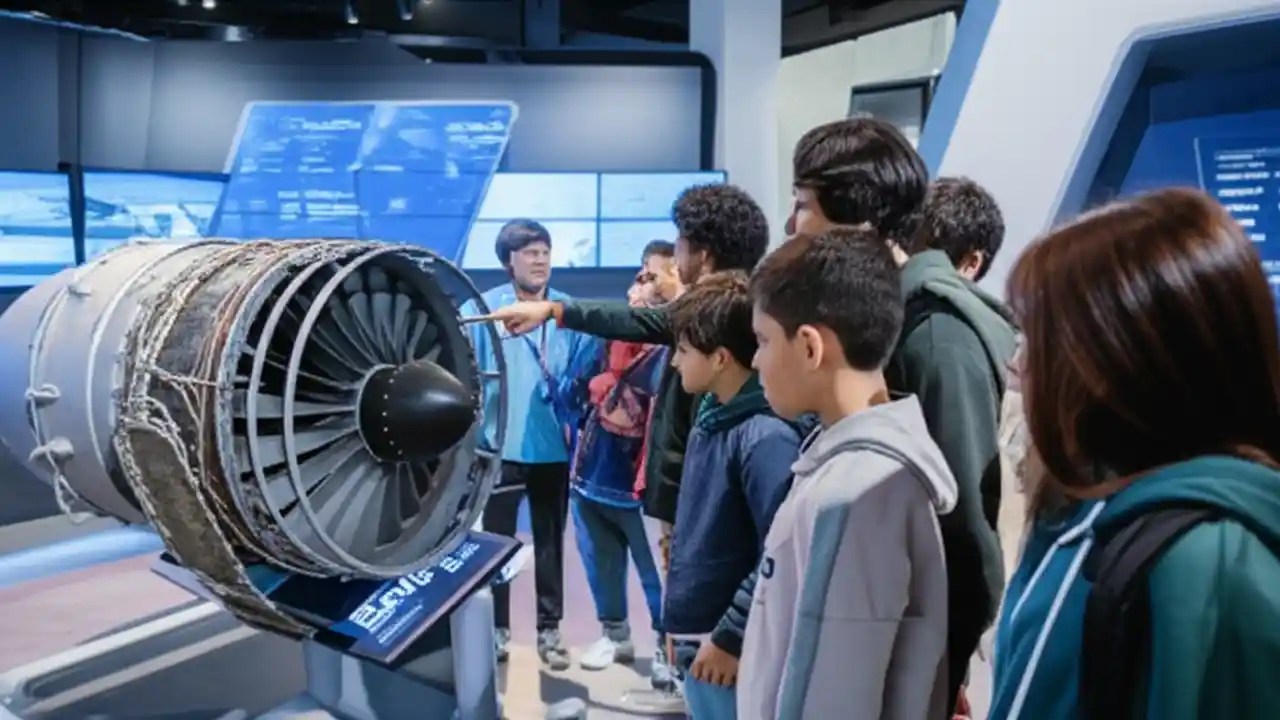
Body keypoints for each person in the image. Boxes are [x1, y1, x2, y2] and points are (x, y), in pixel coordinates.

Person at [989, 188, 1280, 719]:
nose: (1018, 365)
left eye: (1037, 341)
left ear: (1106, 363)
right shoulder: (1091, 510)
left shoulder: (1207, 561)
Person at [786, 118, 1008, 711]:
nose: (791, 226)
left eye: (802, 204)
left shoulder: (934, 338)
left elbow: (964, 533)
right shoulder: (877, 319)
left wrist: (942, 676)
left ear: (857, 218)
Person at [736, 228, 957, 719]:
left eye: (763, 340)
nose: (756, 360)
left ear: (810, 347)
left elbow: (829, 692)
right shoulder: (852, 470)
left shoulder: (853, 495)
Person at [888, 174, 1017, 711]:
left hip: (930, 610)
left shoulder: (941, 336)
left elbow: (962, 500)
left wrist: (965, 629)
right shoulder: (923, 324)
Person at [461, 219, 601, 670]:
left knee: (550, 543)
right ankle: (497, 629)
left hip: (554, 449)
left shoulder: (569, 312)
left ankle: (549, 629)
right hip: (499, 448)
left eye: (545, 252)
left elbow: (586, 372)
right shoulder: (481, 309)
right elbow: (463, 372)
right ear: (509, 262)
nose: (540, 260)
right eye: (530, 253)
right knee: (496, 546)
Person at [663, 271, 799, 720]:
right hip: (700, 637)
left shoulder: (766, 438)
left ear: (720, 358)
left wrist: (730, 637)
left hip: (727, 651)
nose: (674, 363)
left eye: (683, 351)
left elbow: (779, 553)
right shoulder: (712, 415)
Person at [570, 243, 672, 676]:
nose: (637, 288)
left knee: (658, 575)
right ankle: (614, 634)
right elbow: (576, 388)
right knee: (600, 563)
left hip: (642, 490)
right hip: (591, 473)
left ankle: (668, 648)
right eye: (639, 277)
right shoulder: (608, 336)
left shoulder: (672, 347)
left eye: (650, 278)